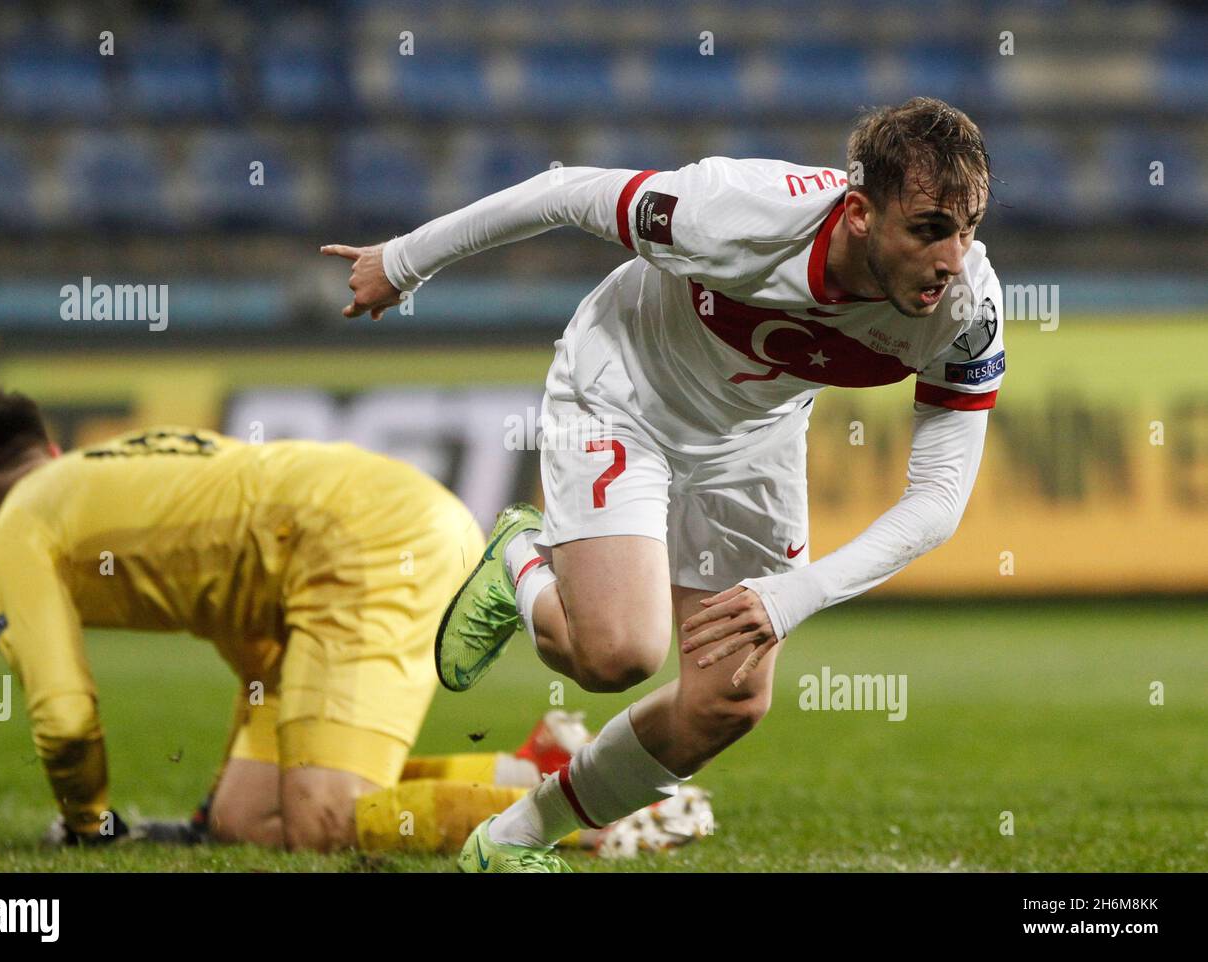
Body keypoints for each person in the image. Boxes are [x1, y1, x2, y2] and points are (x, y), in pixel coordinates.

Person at [322, 97, 1005, 871]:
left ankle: (510, 841)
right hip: (623, 394)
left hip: (753, 441)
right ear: (857, 211)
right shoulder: (731, 213)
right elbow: (562, 191)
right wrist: (405, 261)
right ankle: (519, 556)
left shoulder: (968, 309)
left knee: (731, 701)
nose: (952, 257)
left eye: (968, 229)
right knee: (615, 657)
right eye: (927, 229)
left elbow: (939, 499)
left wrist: (793, 595)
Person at [0, 388, 486, 852]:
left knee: (326, 820)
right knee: (250, 819)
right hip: (389, 515)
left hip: (366, 540)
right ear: (52, 450)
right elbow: (246, 611)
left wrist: (89, 825)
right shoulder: (126, 463)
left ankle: (572, 813)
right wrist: (219, 793)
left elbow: (64, 717)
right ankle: (527, 769)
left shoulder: (17, 528)